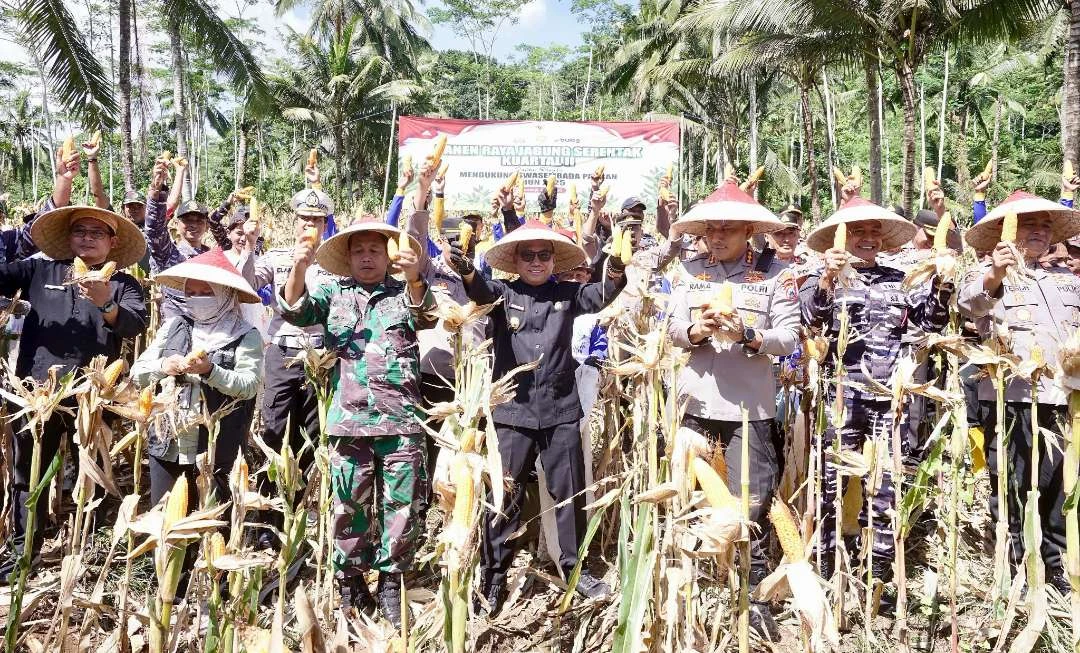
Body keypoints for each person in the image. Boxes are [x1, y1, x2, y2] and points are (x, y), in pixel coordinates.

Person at [447, 219, 626, 616]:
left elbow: (602, 295)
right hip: (513, 411)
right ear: (514, 259)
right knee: (504, 498)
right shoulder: (503, 293)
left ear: (553, 260)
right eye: (527, 255)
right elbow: (478, 287)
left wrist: (616, 267)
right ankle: (493, 577)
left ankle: (573, 570)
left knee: (570, 494)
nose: (535, 261)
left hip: (561, 410)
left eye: (544, 254)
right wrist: (464, 268)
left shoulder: (568, 292)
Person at [278, 218, 435, 628]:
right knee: (349, 505)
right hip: (349, 420)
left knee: (401, 507)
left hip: (402, 421)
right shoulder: (334, 293)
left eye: (375, 250)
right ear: (348, 258)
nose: (367, 256)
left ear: (388, 256)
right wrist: (298, 265)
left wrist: (415, 272)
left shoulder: (404, 292)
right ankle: (350, 581)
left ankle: (390, 583)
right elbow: (295, 310)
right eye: (359, 250)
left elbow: (426, 313)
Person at [666, 180, 801, 640]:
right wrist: (695, 330)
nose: (717, 237)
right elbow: (669, 330)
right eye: (711, 229)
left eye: (728, 229)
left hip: (750, 409)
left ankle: (753, 594)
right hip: (697, 404)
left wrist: (749, 334)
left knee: (753, 504)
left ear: (748, 231)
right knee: (699, 498)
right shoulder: (688, 272)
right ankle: (701, 584)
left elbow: (789, 337)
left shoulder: (777, 275)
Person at [800, 196, 953, 593]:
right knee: (830, 483)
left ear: (883, 240)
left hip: (891, 396)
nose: (867, 239)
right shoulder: (823, 281)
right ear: (842, 239)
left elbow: (931, 320)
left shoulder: (900, 279)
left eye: (873, 232)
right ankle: (828, 566)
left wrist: (942, 282)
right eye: (857, 232)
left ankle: (878, 573)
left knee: (886, 486)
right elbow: (808, 320)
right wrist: (827, 281)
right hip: (841, 397)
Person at [0, 203, 148, 580]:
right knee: (27, 473)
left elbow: (132, 325)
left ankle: (92, 550)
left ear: (112, 242)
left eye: (96, 233)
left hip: (94, 396)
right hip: (37, 393)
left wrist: (106, 304)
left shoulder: (125, 284)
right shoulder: (39, 270)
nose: (86, 238)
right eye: (79, 231)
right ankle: (23, 551)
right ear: (68, 238)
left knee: (93, 471)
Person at [957, 189, 1080, 594]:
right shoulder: (987, 277)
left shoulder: (1065, 281)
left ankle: (1054, 570)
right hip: (1013, 400)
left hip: (1062, 401)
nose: (1040, 233)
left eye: (1046, 226)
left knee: (1057, 486)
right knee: (1013, 486)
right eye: (1030, 225)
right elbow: (969, 304)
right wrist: (995, 272)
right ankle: (1013, 571)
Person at [240, 185, 339, 550]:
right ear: (293, 221)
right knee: (274, 435)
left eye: (316, 219)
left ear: (326, 223)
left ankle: (298, 515)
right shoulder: (277, 257)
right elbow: (246, 286)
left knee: (311, 440)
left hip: (320, 359)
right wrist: (249, 246)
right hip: (282, 355)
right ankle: (268, 520)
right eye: (304, 219)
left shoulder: (334, 263)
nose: (308, 225)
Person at [131, 247, 263, 511]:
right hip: (169, 442)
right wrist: (164, 365)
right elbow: (137, 374)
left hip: (217, 446)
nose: (197, 298)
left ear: (225, 294)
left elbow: (248, 386)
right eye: (191, 292)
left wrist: (210, 371)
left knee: (214, 521)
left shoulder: (245, 335)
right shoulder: (175, 326)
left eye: (206, 293)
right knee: (168, 518)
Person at [144, 155, 212, 318]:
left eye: (199, 220)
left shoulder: (211, 256)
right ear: (176, 224)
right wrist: (157, 190)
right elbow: (154, 229)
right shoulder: (168, 253)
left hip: (209, 327)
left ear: (206, 226)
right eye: (187, 220)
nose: (193, 225)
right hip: (178, 328)